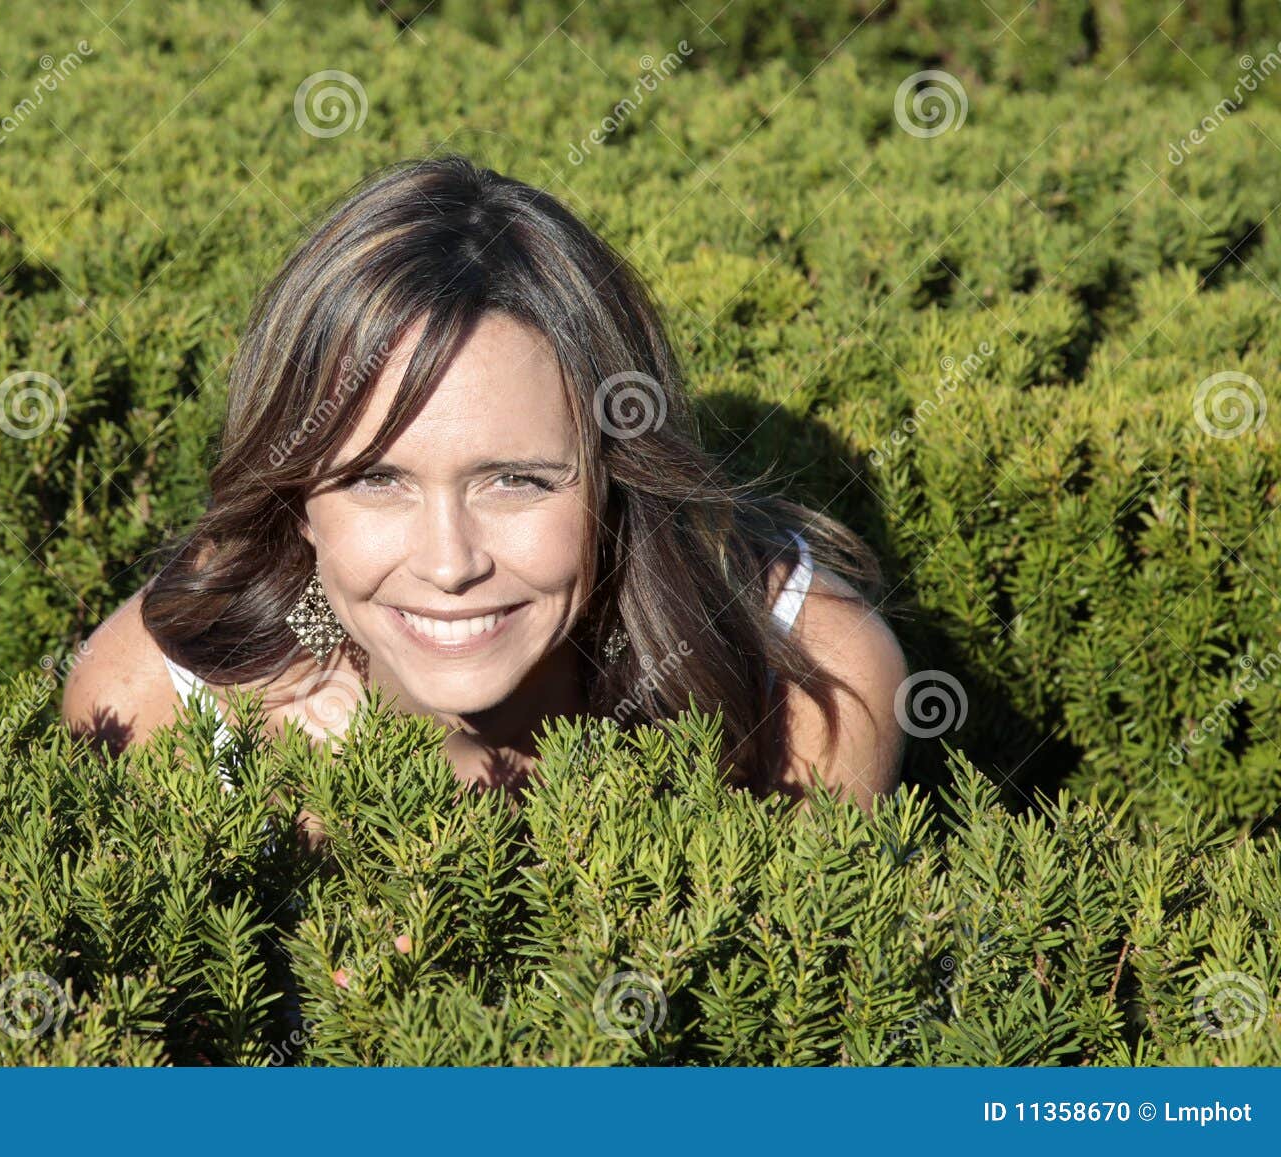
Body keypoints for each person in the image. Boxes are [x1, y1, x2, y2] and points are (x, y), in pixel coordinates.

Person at [63, 153, 908, 820]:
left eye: (514, 480)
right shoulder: (152, 700)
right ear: (297, 502)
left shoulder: (808, 680)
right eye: (376, 479)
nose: (449, 562)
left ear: (617, 473)